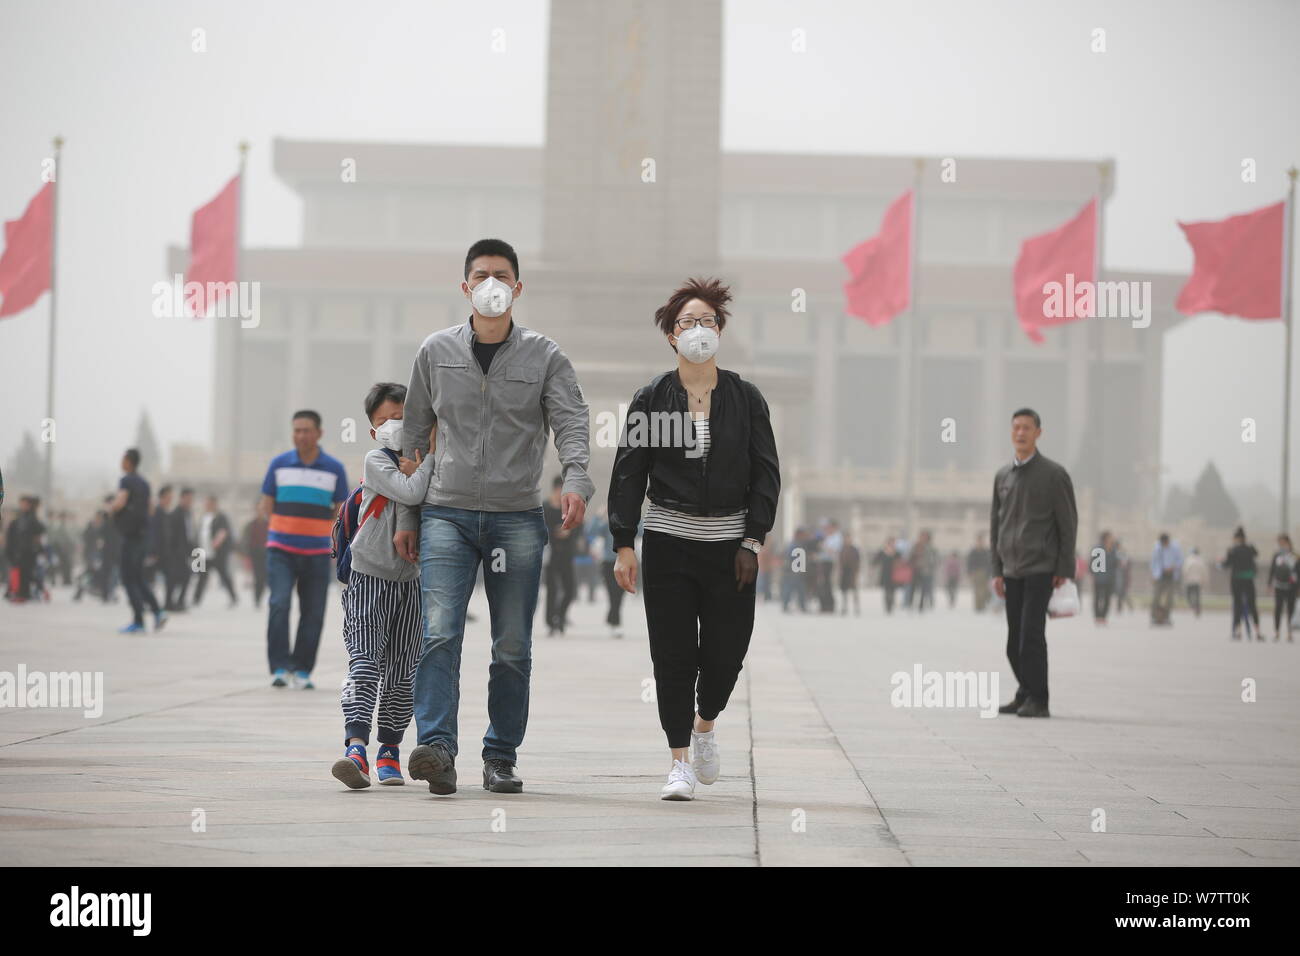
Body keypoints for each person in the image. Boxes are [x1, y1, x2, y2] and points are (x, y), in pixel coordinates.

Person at [396, 238, 594, 796]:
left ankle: (500, 755)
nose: (491, 284)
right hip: (446, 513)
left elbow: (571, 421)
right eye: (480, 274)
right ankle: (437, 748)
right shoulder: (435, 352)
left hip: (515, 516)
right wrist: (408, 513)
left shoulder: (545, 356)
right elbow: (413, 436)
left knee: (511, 644)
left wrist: (575, 478)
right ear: (465, 286)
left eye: (501, 275)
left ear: (516, 287)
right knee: (439, 633)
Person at [608, 276, 780, 801]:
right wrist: (623, 543)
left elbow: (766, 473)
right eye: (688, 322)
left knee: (727, 652)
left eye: (707, 321)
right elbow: (628, 472)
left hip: (730, 549)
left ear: (720, 330)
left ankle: (706, 724)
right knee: (673, 652)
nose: (698, 330)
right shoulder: (652, 398)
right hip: (668, 542)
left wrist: (753, 541)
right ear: (671, 335)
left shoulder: (745, 399)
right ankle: (679, 759)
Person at [331, 383, 436, 789]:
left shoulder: (430, 458)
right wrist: (424, 467)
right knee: (364, 662)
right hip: (369, 575)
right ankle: (355, 748)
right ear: (373, 430)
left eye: (401, 417)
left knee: (403, 671)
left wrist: (425, 462)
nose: (394, 425)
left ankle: (389, 749)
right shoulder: (376, 459)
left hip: (411, 582)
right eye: (383, 421)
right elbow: (411, 490)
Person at [991, 408, 1078, 719]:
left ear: (1038, 432)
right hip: (1011, 569)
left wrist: (1064, 568)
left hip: (1041, 568)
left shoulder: (1054, 475)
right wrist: (996, 570)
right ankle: (1024, 692)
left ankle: (1039, 699)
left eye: (1027, 427)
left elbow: (1067, 524)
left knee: (1031, 634)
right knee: (1014, 639)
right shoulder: (1003, 476)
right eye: (1016, 427)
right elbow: (995, 526)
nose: (1020, 433)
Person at [261, 410, 350, 689]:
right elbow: (267, 504)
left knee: (313, 612)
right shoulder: (278, 464)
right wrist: (284, 528)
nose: (300, 435)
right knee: (279, 604)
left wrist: (323, 534)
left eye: (306, 430)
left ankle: (302, 669)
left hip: (316, 553)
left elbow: (340, 510)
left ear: (319, 433)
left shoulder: (334, 468)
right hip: (281, 550)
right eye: (296, 430)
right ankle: (278, 667)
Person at [107, 449, 166, 633]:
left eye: (123, 459)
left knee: (128, 578)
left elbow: (120, 502)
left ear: (128, 461)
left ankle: (139, 620)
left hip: (131, 536)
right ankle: (158, 612)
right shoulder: (145, 483)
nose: (121, 462)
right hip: (143, 535)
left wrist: (109, 509)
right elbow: (151, 509)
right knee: (139, 577)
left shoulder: (126, 480)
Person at [543, 476, 578, 636]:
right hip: (551, 554)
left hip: (567, 554)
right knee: (552, 589)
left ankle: (561, 616)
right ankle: (551, 621)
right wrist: (554, 532)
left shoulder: (570, 506)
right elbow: (539, 528)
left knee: (570, 589)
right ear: (555, 488)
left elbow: (579, 526)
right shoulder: (545, 507)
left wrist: (569, 531)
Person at [193, 495, 237, 608]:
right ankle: (196, 599)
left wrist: (217, 542)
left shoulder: (221, 517)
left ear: (214, 504)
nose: (207, 506)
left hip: (217, 553)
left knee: (224, 575)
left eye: (210, 503)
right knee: (202, 577)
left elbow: (224, 531)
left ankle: (233, 597)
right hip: (203, 553)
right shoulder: (204, 517)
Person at [1222, 527, 1261, 641]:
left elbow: (1227, 564)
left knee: (1237, 605)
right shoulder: (1250, 548)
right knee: (1252, 605)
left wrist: (1221, 562)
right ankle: (1258, 632)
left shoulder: (1233, 550)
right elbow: (1256, 554)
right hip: (1249, 579)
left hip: (1237, 580)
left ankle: (1238, 631)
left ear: (1237, 538)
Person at [4, 496, 45, 603]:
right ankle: (16, 592)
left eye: (26, 504)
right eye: (22, 503)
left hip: (29, 552)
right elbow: (12, 534)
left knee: (27, 573)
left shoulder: (32, 518)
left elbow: (40, 532)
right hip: (17, 550)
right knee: (18, 573)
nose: (23, 506)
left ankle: (24, 594)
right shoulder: (19, 518)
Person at [164, 488, 195, 611]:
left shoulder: (188, 513)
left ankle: (175, 602)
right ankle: (170, 603)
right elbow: (171, 535)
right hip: (176, 552)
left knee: (182, 577)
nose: (189, 501)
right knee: (176, 577)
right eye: (188, 499)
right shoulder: (175, 514)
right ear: (182, 498)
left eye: (191, 499)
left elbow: (189, 533)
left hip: (185, 551)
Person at [1266, 533, 1297, 642]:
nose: (1282, 545)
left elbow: (1298, 571)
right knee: (1278, 609)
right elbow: (1272, 570)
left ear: (1288, 542)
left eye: (1283, 542)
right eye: (1280, 543)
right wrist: (1269, 584)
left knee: (1290, 610)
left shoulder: (1294, 555)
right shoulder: (1277, 555)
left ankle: (1289, 633)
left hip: (1291, 587)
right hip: (1279, 586)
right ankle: (1277, 632)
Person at [1149, 532, 1182, 626]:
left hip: (1171, 575)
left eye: (1165, 543)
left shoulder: (1175, 547)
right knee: (1156, 597)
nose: (1164, 545)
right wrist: (1152, 575)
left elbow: (1180, 560)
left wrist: (1173, 567)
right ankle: (1154, 616)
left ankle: (1166, 617)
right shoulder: (1157, 547)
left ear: (1168, 541)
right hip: (1159, 575)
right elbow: (1153, 562)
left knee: (1169, 598)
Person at [241, 511, 269, 607]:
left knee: (264, 577)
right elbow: (245, 539)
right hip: (254, 553)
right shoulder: (251, 525)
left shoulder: (268, 524)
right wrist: (245, 552)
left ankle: (259, 596)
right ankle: (256, 598)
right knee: (257, 576)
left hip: (266, 553)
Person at [1091, 530, 1118, 625]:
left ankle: (1103, 616)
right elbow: (1093, 564)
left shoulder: (1114, 549)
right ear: (1105, 538)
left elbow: (1115, 564)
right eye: (1111, 537)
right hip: (1099, 578)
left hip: (1109, 578)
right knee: (1098, 598)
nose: (1112, 538)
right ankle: (1097, 616)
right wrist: (1094, 575)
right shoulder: (1098, 549)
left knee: (1107, 598)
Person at [910, 530, 938, 613]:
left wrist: (931, 565)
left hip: (926, 571)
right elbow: (910, 556)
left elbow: (935, 559)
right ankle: (911, 604)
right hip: (915, 570)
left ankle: (922, 606)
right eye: (922, 536)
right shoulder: (915, 546)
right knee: (913, 588)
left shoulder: (931, 547)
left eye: (925, 537)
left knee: (924, 589)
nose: (923, 538)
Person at [871, 536, 900, 614]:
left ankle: (891, 604)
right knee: (886, 591)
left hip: (894, 575)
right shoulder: (883, 552)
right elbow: (875, 560)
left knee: (893, 591)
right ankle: (887, 606)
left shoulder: (897, 552)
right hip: (885, 574)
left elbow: (901, 562)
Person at [967, 534, 992, 612]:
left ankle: (983, 604)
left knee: (984, 590)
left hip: (984, 573)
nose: (980, 543)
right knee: (977, 590)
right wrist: (970, 572)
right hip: (976, 573)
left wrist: (989, 573)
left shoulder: (986, 551)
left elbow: (989, 563)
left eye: (981, 541)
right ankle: (978, 606)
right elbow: (969, 563)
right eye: (979, 541)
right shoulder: (973, 552)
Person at [839, 531, 862, 616]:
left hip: (852, 572)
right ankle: (844, 607)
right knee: (844, 592)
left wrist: (856, 573)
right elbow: (840, 561)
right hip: (844, 572)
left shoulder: (854, 549)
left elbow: (858, 562)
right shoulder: (842, 549)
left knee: (854, 591)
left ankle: (856, 608)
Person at [1182, 546, 1208, 618]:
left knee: (1188, 595)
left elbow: (1185, 571)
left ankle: (1193, 606)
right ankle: (1197, 607)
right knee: (1197, 596)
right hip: (1198, 581)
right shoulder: (1201, 560)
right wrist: (1204, 581)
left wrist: (1184, 579)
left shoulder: (1188, 560)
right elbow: (1204, 572)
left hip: (1189, 581)